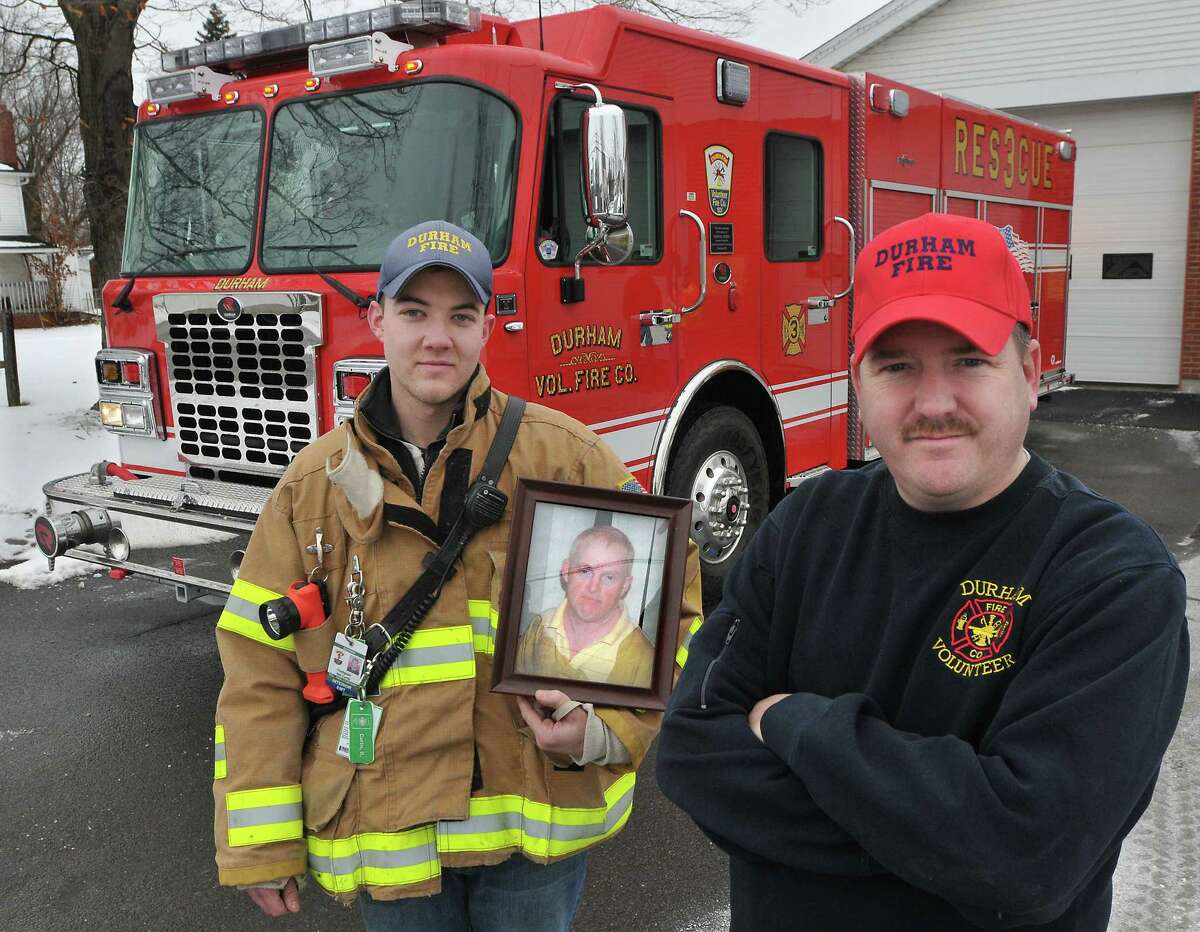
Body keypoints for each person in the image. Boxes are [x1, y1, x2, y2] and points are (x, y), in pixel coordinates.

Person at [656, 212, 1188, 931]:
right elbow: (692, 753)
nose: (933, 403)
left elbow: (1024, 860)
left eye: (969, 359)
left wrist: (796, 722)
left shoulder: (1111, 576)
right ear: (859, 383)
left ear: (1029, 374)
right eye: (898, 364)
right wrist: (939, 835)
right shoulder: (805, 525)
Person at [212, 220, 703, 930]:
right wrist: (260, 843)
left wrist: (603, 732)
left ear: (487, 328)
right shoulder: (311, 490)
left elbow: (672, 604)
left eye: (460, 315)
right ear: (376, 318)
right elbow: (258, 673)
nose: (436, 337)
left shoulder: (564, 459)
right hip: (392, 842)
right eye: (414, 313)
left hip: (528, 846)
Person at [516, 525, 655, 688]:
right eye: (585, 571)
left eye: (609, 577)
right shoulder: (539, 627)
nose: (593, 587)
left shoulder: (643, 656)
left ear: (625, 585)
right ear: (566, 570)